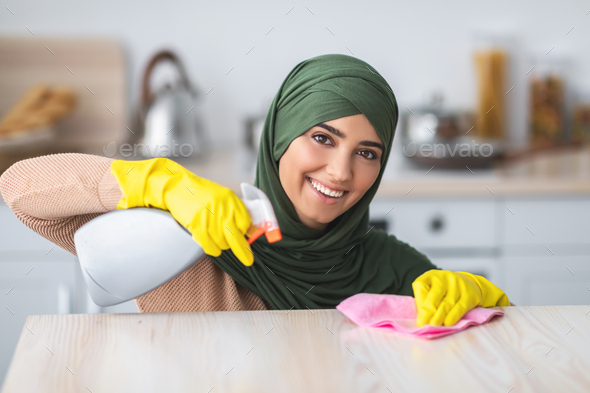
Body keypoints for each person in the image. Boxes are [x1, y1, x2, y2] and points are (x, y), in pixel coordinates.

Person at [0, 54, 510, 326]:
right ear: (278, 137)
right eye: (321, 138)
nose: (339, 171)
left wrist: (485, 300)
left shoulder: (391, 267)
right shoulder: (190, 238)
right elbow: (21, 191)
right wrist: (159, 183)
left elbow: (486, 347)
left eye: (367, 152)